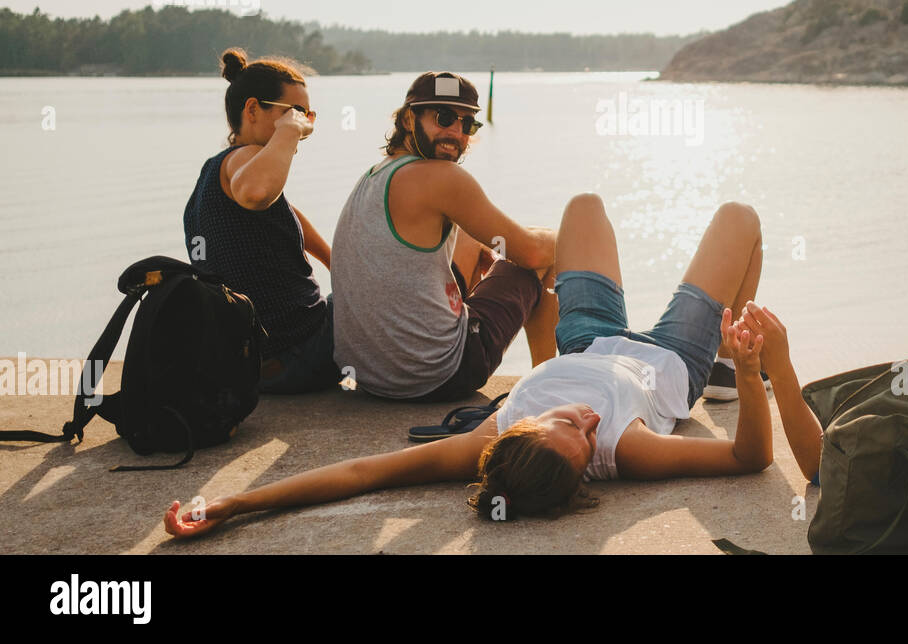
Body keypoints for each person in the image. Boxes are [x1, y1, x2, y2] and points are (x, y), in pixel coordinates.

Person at [163, 195, 823, 538]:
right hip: (673, 357)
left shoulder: (489, 438)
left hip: (590, 339)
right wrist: (753, 363)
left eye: (569, 422)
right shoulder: (627, 450)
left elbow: (360, 474)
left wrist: (229, 504)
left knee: (582, 208)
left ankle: (715, 360)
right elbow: (748, 459)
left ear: (522, 431)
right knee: (741, 219)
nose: (590, 420)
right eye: (588, 436)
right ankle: (726, 370)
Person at [330, 72, 559, 402]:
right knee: (542, 250)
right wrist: (565, 238)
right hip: (438, 375)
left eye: (467, 124)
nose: (456, 133)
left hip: (368, 376)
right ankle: (548, 385)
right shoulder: (443, 177)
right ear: (409, 118)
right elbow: (534, 254)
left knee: (474, 237)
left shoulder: (374, 174)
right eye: (444, 117)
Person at [183, 48, 339, 394]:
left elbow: (281, 210)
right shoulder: (246, 162)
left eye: (308, 114)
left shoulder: (217, 169)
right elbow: (256, 192)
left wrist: (333, 260)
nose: (304, 123)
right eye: (295, 112)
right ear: (252, 109)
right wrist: (289, 133)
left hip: (255, 366)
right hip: (299, 356)